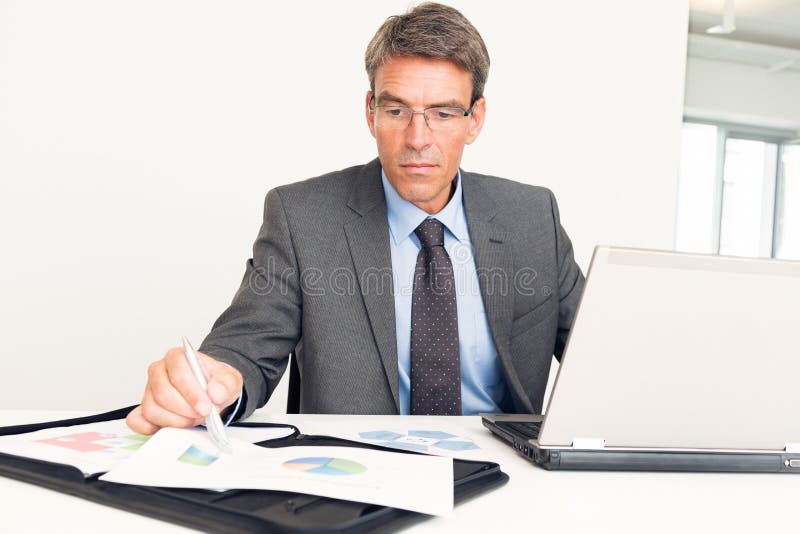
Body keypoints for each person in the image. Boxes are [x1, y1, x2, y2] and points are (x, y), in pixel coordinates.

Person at [126, 2, 584, 435]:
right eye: (396, 110)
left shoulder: (532, 217)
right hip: (360, 468)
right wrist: (214, 380)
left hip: (507, 475)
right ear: (371, 112)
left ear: (475, 119)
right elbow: (245, 345)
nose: (417, 138)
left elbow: (599, 357)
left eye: (443, 113)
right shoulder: (302, 218)